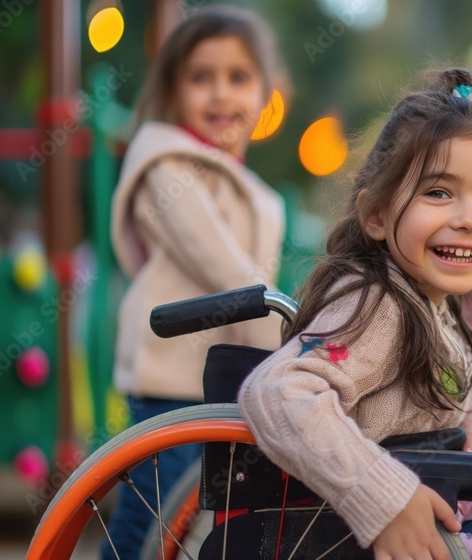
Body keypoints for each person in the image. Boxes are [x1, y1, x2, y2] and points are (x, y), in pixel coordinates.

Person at [239, 68, 472, 559]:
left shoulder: (434, 306)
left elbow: (450, 382)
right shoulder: (377, 302)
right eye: (439, 192)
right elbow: (278, 392)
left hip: (436, 496)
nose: (468, 218)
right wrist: (385, 497)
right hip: (355, 530)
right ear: (377, 215)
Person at [103, 6, 289, 558]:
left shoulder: (251, 188)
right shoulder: (164, 164)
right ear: (174, 89)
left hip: (226, 378)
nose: (220, 94)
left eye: (238, 78)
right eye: (201, 77)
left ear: (263, 92)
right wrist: (291, 339)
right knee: (151, 519)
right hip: (172, 377)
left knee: (201, 523)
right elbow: (226, 270)